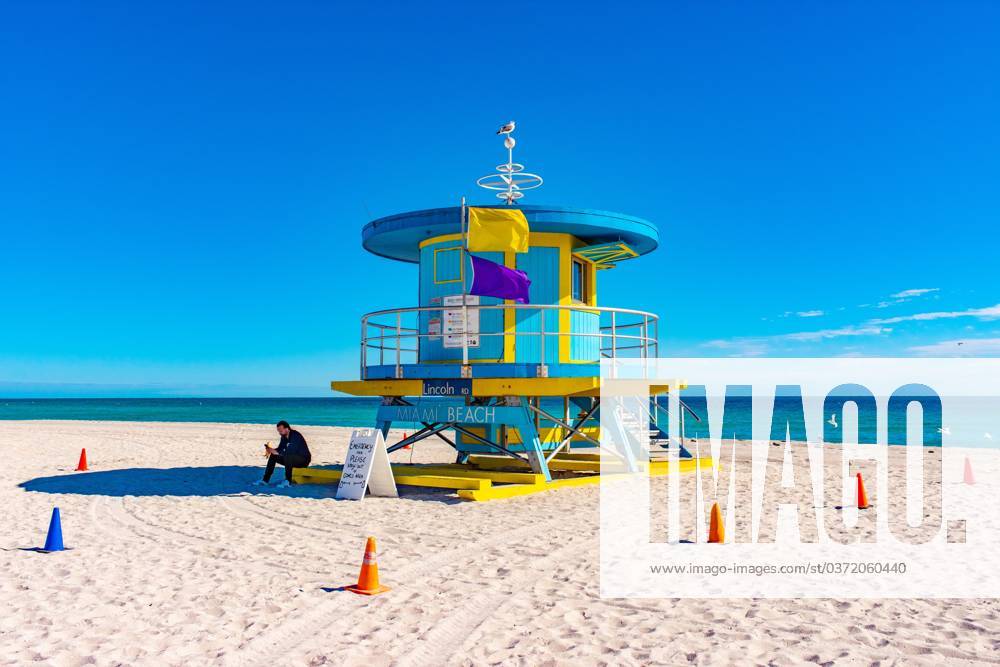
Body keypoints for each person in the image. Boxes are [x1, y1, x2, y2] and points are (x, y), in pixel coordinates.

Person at [252, 420, 311, 488]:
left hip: (303, 460)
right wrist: (271, 450)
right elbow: (280, 449)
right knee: (273, 456)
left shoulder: (295, 435)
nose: (279, 432)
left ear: (287, 429)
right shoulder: (283, 437)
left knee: (288, 456)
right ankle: (265, 480)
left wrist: (278, 452)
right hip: (291, 459)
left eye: (280, 430)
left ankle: (288, 481)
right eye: (278, 431)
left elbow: (291, 451)